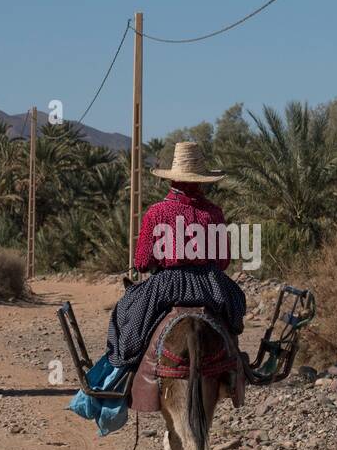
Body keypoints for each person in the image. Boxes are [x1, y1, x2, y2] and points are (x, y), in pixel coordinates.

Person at [105, 141, 246, 369]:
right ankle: (237, 366)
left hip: (167, 284)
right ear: (201, 182)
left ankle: (122, 371)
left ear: (171, 179)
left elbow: (141, 263)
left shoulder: (157, 212)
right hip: (210, 285)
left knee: (126, 313)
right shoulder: (214, 212)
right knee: (235, 310)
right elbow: (223, 262)